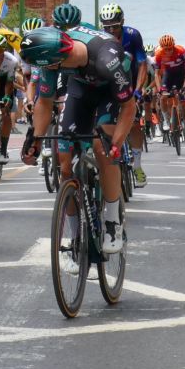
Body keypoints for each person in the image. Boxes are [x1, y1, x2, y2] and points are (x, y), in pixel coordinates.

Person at [20, 24, 136, 256]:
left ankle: (113, 221)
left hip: (110, 91)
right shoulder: (53, 57)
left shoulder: (108, 60)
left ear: (58, 60)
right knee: (65, 166)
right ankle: (75, 238)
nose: (47, 70)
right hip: (80, 87)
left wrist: (116, 144)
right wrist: (35, 139)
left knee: (102, 148)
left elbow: (128, 107)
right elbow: (45, 102)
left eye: (49, 67)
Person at [100, 3, 149, 186]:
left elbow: (142, 64)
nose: (111, 30)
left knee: (135, 124)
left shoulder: (133, 35)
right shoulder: (100, 37)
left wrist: (138, 90)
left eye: (115, 26)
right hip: (110, 81)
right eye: (107, 27)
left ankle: (137, 165)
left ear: (122, 22)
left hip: (131, 79)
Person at [154, 34, 185, 141]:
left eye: (170, 48)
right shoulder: (158, 54)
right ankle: (166, 121)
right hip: (168, 75)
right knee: (163, 97)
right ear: (162, 48)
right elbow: (157, 74)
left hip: (181, 75)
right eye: (166, 49)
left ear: (173, 45)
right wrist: (160, 89)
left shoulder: (181, 51)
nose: (168, 51)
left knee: (184, 104)